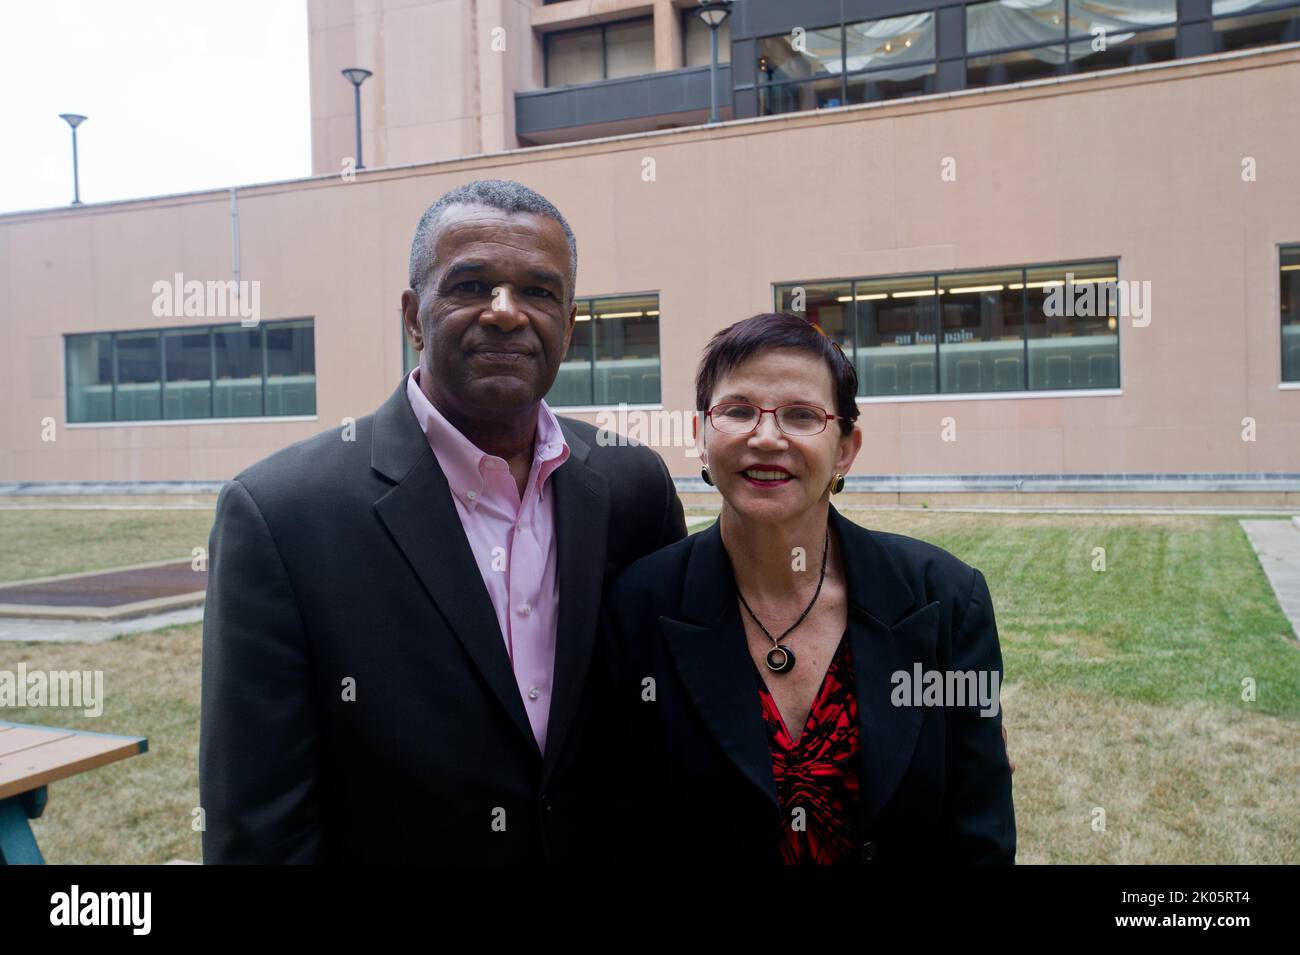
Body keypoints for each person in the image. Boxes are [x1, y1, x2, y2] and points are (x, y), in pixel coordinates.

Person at [199, 179, 685, 863]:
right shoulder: (281, 514)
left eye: (540, 292)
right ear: (412, 315)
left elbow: (666, 729)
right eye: (470, 285)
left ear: (569, 325)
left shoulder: (632, 486)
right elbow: (259, 823)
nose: (506, 313)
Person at [598, 312, 1015, 864]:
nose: (766, 437)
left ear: (846, 449)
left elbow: (979, 833)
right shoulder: (636, 609)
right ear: (701, 437)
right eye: (738, 411)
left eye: (801, 415)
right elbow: (619, 833)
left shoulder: (946, 600)